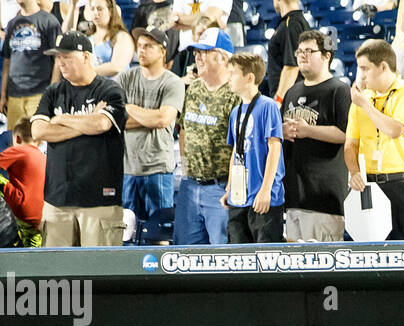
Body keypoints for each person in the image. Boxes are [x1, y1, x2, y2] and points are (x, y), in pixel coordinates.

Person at [32, 31, 126, 247]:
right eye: (58, 57)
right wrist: (86, 122)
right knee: (57, 275)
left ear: (86, 56)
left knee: (100, 275)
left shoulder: (110, 90)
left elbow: (101, 124)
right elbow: (38, 131)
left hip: (98, 202)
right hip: (57, 200)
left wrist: (62, 119)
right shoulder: (53, 92)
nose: (61, 62)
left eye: (66, 56)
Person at [343, 38, 404, 240]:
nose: (360, 75)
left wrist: (365, 105)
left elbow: (395, 129)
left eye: (365, 68)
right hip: (368, 185)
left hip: (401, 183)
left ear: (383, 67)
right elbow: (350, 144)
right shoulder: (361, 99)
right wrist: (354, 172)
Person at [281, 29, 350, 242]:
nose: (302, 55)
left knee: (323, 268)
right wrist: (282, 131)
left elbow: (346, 134)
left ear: (327, 55)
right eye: (299, 51)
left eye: (309, 51)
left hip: (324, 198)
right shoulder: (292, 92)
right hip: (293, 195)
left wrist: (309, 130)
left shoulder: (339, 90)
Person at [173, 27, 236, 245]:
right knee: (184, 260)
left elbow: (242, 147)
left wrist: (231, 186)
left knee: (222, 260)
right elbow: (183, 130)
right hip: (190, 185)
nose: (197, 57)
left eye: (204, 52)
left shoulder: (236, 94)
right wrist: (186, 169)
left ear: (223, 57)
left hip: (221, 188)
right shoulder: (194, 89)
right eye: (197, 52)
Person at [120, 26, 183, 237]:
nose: (142, 50)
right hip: (128, 168)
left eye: (148, 46)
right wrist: (150, 117)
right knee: (127, 235)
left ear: (162, 51)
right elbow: (114, 120)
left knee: (160, 235)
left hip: (158, 168)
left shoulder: (172, 82)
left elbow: (164, 119)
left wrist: (129, 109)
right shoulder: (126, 79)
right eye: (139, 46)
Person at [223, 49, 285, 242]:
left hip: (263, 196)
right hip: (240, 196)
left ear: (249, 77)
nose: (228, 78)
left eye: (233, 73)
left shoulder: (268, 106)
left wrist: (266, 189)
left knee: (264, 257)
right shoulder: (235, 111)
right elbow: (236, 151)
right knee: (237, 256)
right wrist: (229, 187)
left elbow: (274, 148)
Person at [0, 0, 59, 133]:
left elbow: (58, 59)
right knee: (15, 140)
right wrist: (3, 95)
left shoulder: (49, 21)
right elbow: (7, 61)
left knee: (38, 138)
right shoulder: (12, 23)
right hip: (14, 95)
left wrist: (52, 92)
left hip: (39, 93)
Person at [0, 115, 43, 242]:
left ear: (17, 138)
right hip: (40, 215)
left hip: (22, 210)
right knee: (32, 241)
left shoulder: (18, 150)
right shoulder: (43, 156)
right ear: (40, 141)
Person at [73, 0, 132, 78]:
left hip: (114, 87)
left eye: (100, 9)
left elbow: (116, 67)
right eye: (92, 9)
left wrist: (86, 72)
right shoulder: (87, 38)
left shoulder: (122, 37)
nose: (95, 13)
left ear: (110, 11)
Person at [264, 0, 308, 100]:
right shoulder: (295, 21)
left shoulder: (291, 23)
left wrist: (279, 99)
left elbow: (292, 67)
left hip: (289, 98)